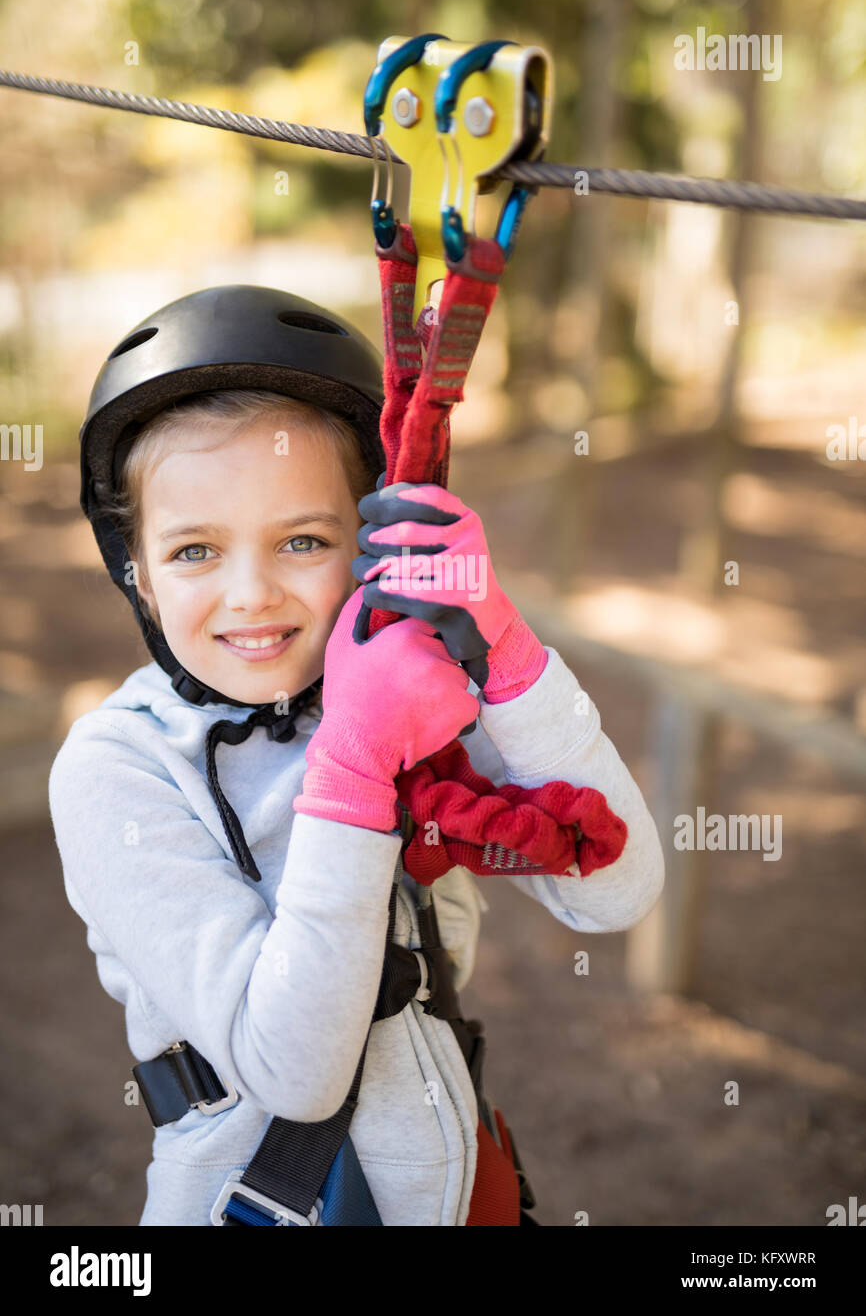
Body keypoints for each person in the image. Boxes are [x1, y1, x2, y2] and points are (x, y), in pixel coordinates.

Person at [48, 283, 665, 1227]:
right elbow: (292, 1070)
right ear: (134, 566)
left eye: (303, 539)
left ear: (370, 550)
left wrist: (503, 651)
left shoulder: (406, 697)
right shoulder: (116, 768)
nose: (252, 594)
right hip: (258, 1200)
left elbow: (612, 891)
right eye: (194, 552)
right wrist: (356, 763)